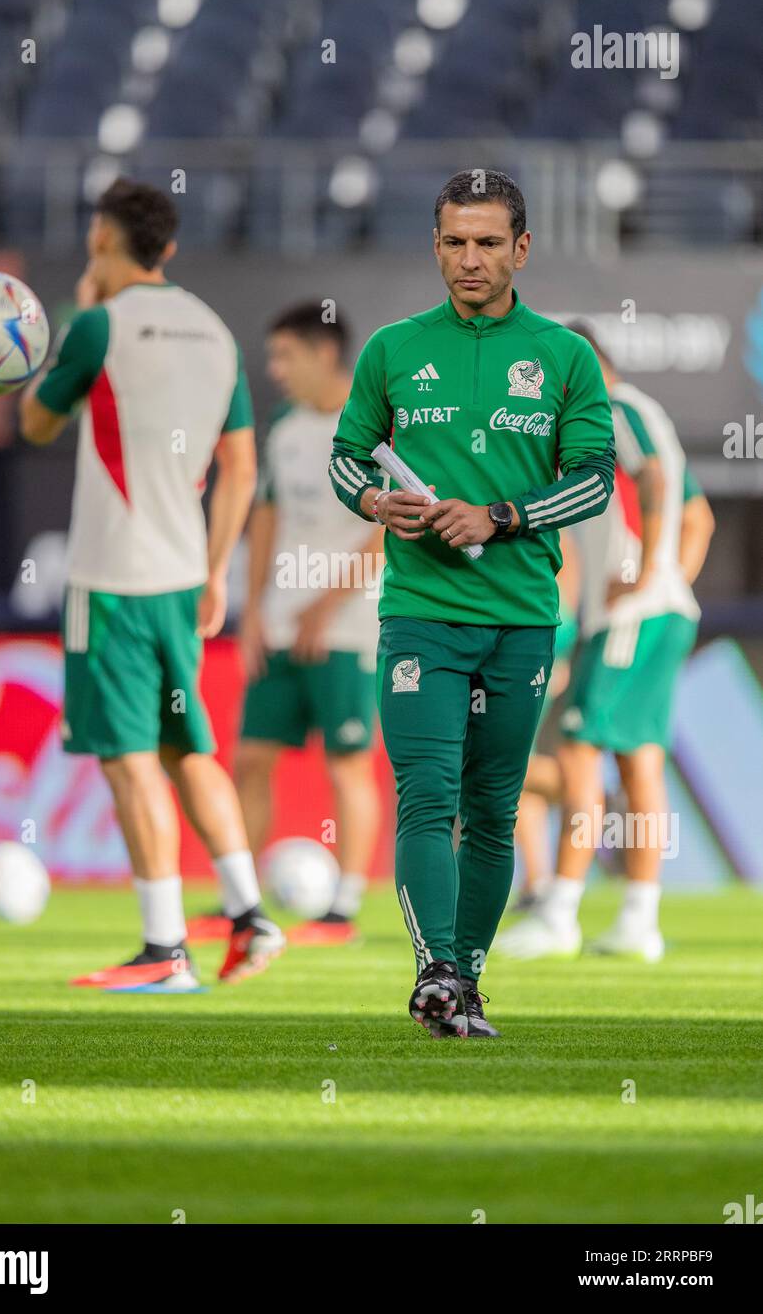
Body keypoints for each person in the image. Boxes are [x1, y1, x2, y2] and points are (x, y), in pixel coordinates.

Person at [328, 169, 615, 1039]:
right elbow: (347, 460)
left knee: (493, 811)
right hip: (419, 613)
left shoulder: (565, 355)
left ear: (521, 249)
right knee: (427, 795)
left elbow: (595, 482)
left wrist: (502, 514)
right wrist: (379, 503)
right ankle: (436, 972)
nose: (470, 259)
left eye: (488, 242)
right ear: (436, 246)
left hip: (523, 619)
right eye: (454, 241)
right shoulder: (391, 348)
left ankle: (469, 983)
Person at [19, 177, 285, 991]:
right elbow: (241, 466)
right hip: (179, 580)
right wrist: (214, 571)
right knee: (187, 749)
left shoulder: (98, 325)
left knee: (129, 758)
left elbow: (35, 423)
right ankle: (249, 911)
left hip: (110, 578)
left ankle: (165, 950)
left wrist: (69, 324)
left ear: (102, 239)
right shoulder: (214, 332)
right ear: (167, 248)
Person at [495, 323, 715, 963]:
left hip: (631, 615)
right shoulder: (640, 414)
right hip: (658, 611)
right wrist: (669, 581)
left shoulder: (614, 410)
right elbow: (698, 515)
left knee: (580, 751)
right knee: (640, 761)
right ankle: (639, 920)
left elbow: (652, 482)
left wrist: (645, 578)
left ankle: (560, 910)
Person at [235, 303, 384, 941]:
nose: (274, 371)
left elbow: (395, 525)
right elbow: (266, 514)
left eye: (284, 356)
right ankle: (239, 902)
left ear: (325, 354)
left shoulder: (381, 426)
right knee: (250, 758)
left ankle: (342, 908)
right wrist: (252, 609)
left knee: (348, 762)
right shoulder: (288, 428)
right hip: (280, 622)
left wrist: (327, 604)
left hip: (352, 627)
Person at [512, 533, 580, 910]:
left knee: (499, 762)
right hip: (528, 634)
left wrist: (561, 631)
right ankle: (537, 880)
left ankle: (591, 792)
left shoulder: (536, 498)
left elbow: (565, 558)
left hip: (533, 638)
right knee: (516, 774)